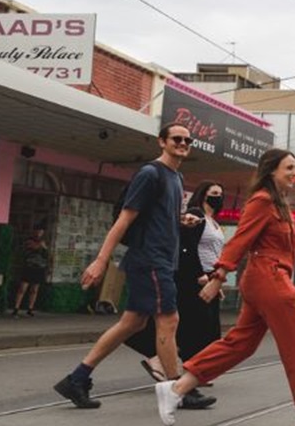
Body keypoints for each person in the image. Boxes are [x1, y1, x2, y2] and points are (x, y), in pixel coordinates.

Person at [154, 149, 295, 426]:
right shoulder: (262, 201)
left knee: (240, 344)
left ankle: (176, 388)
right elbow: (240, 240)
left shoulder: (280, 204)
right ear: (272, 171)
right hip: (270, 279)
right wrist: (218, 276)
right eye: (289, 168)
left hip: (266, 279)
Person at [53, 123, 192, 409]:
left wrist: (182, 221)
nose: (183, 143)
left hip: (160, 259)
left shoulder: (176, 177)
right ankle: (180, 390)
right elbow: (125, 219)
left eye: (187, 140)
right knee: (168, 320)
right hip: (150, 260)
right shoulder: (150, 174)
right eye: (176, 139)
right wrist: (101, 260)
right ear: (162, 142)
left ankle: (77, 379)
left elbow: (159, 218)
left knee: (132, 323)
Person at [124, 181, 226, 410]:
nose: (217, 197)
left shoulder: (214, 221)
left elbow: (214, 251)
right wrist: (199, 275)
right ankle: (172, 365)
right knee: (190, 324)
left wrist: (216, 280)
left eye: (220, 194)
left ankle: (190, 370)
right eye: (213, 193)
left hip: (209, 277)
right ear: (202, 195)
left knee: (204, 327)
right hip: (192, 278)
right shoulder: (195, 215)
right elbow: (187, 246)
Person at [12, 228, 49, 317]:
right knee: (22, 288)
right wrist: (39, 245)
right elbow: (29, 248)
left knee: (34, 289)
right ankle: (16, 308)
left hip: (39, 267)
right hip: (29, 267)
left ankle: (30, 308)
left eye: (41, 232)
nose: (39, 234)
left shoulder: (44, 242)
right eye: (38, 231)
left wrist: (44, 247)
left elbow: (46, 254)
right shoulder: (29, 241)